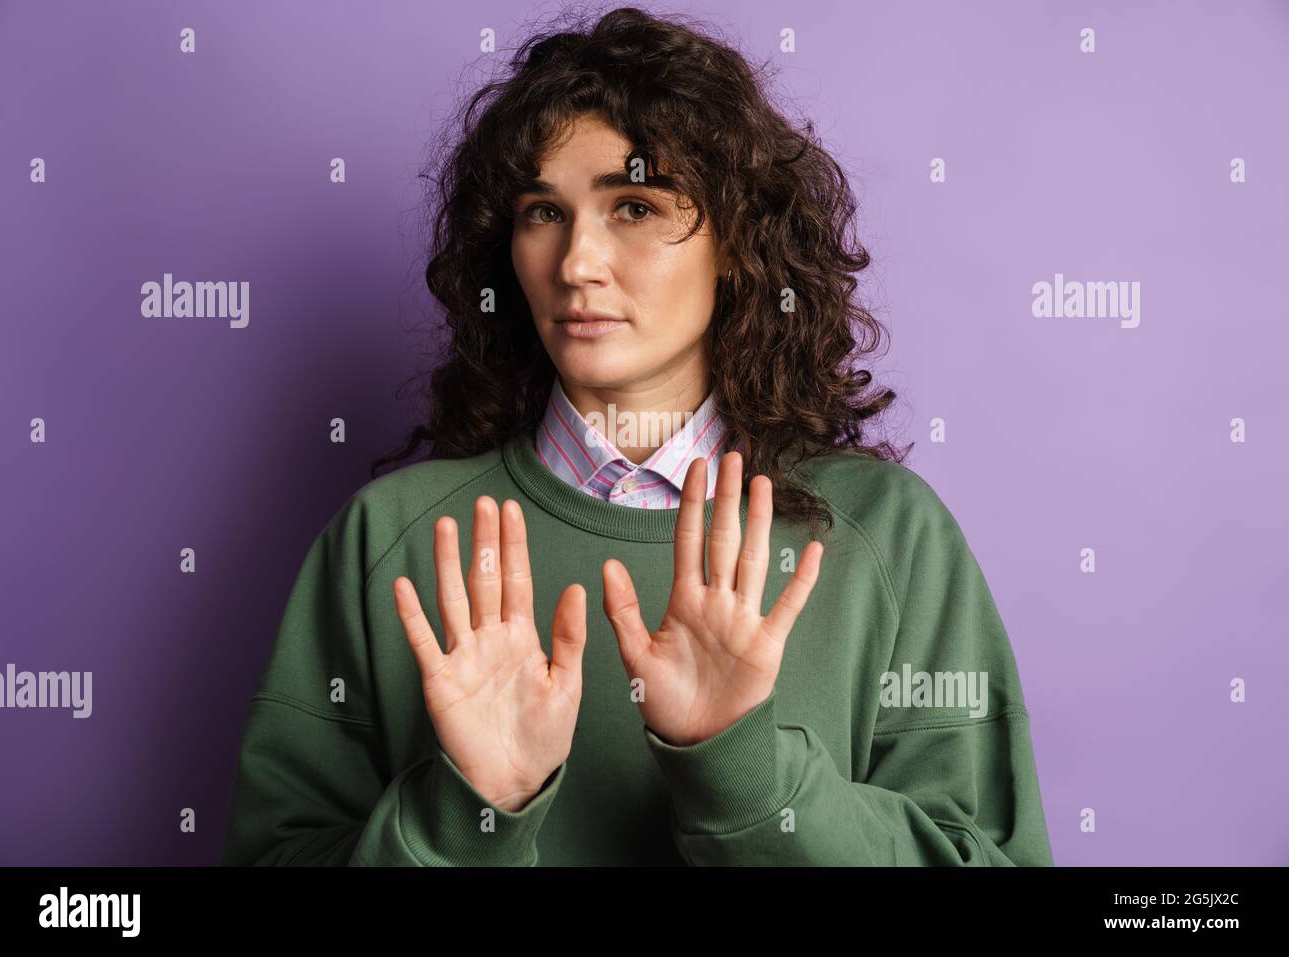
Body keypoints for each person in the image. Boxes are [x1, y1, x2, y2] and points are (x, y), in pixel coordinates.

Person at [220, 7, 1054, 866]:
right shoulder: (385, 538)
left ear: (735, 242)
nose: (577, 261)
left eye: (634, 205)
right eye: (543, 211)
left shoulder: (888, 532)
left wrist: (745, 770)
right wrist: (465, 812)